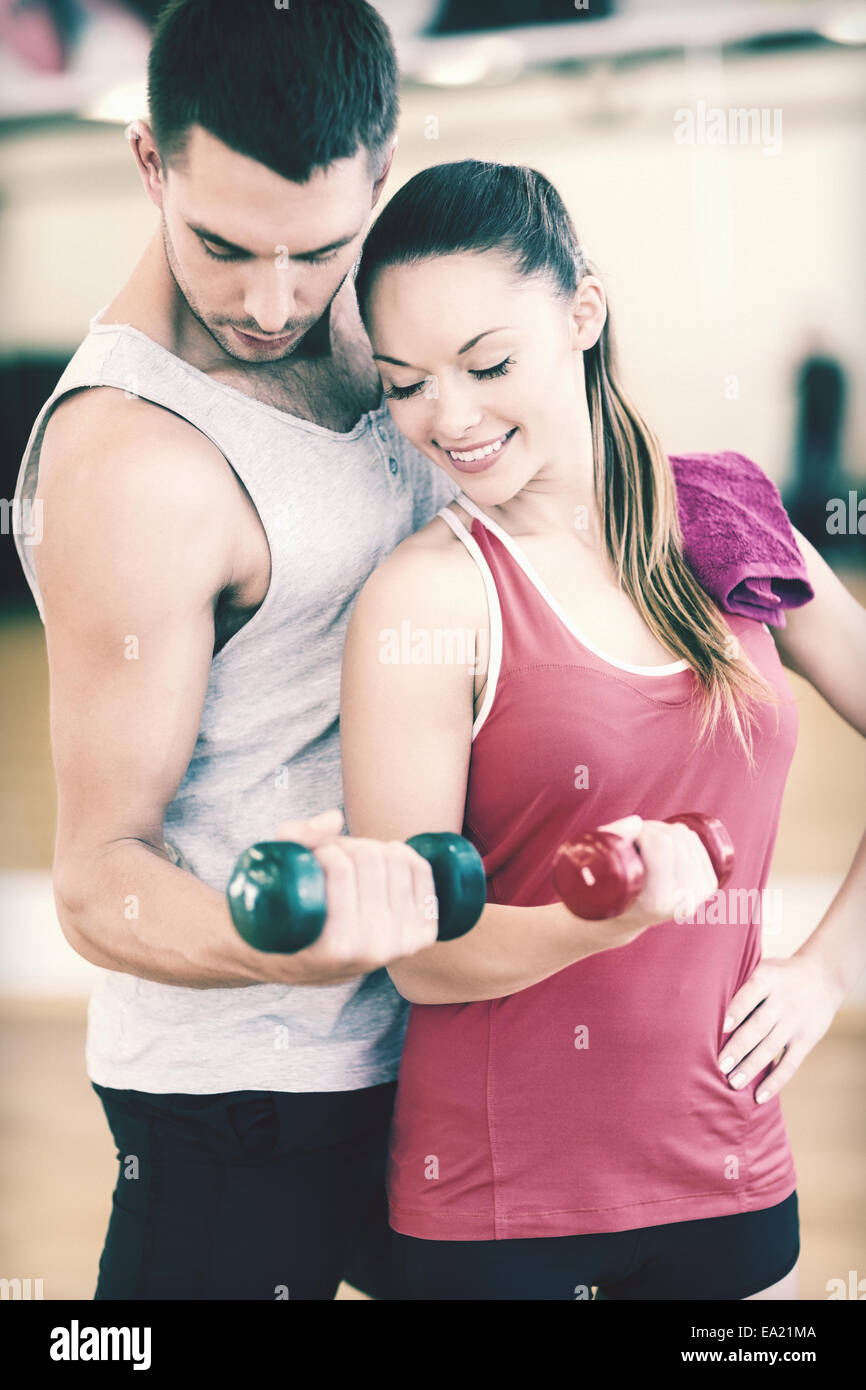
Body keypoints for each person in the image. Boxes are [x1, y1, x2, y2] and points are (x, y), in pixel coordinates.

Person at [339, 159, 866, 1300]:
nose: (452, 418)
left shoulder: (723, 514)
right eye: (405, 383)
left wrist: (832, 964)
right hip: (495, 1211)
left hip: (731, 1180)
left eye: (485, 364)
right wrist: (603, 919)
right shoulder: (427, 598)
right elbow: (420, 956)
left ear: (581, 310)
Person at [12, 0, 459, 1301]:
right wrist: (288, 947)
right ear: (150, 164)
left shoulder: (387, 315)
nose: (271, 302)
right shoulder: (133, 460)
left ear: (381, 173)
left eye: (316, 248)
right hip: (242, 1101)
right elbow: (98, 876)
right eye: (221, 246)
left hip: (434, 1039)